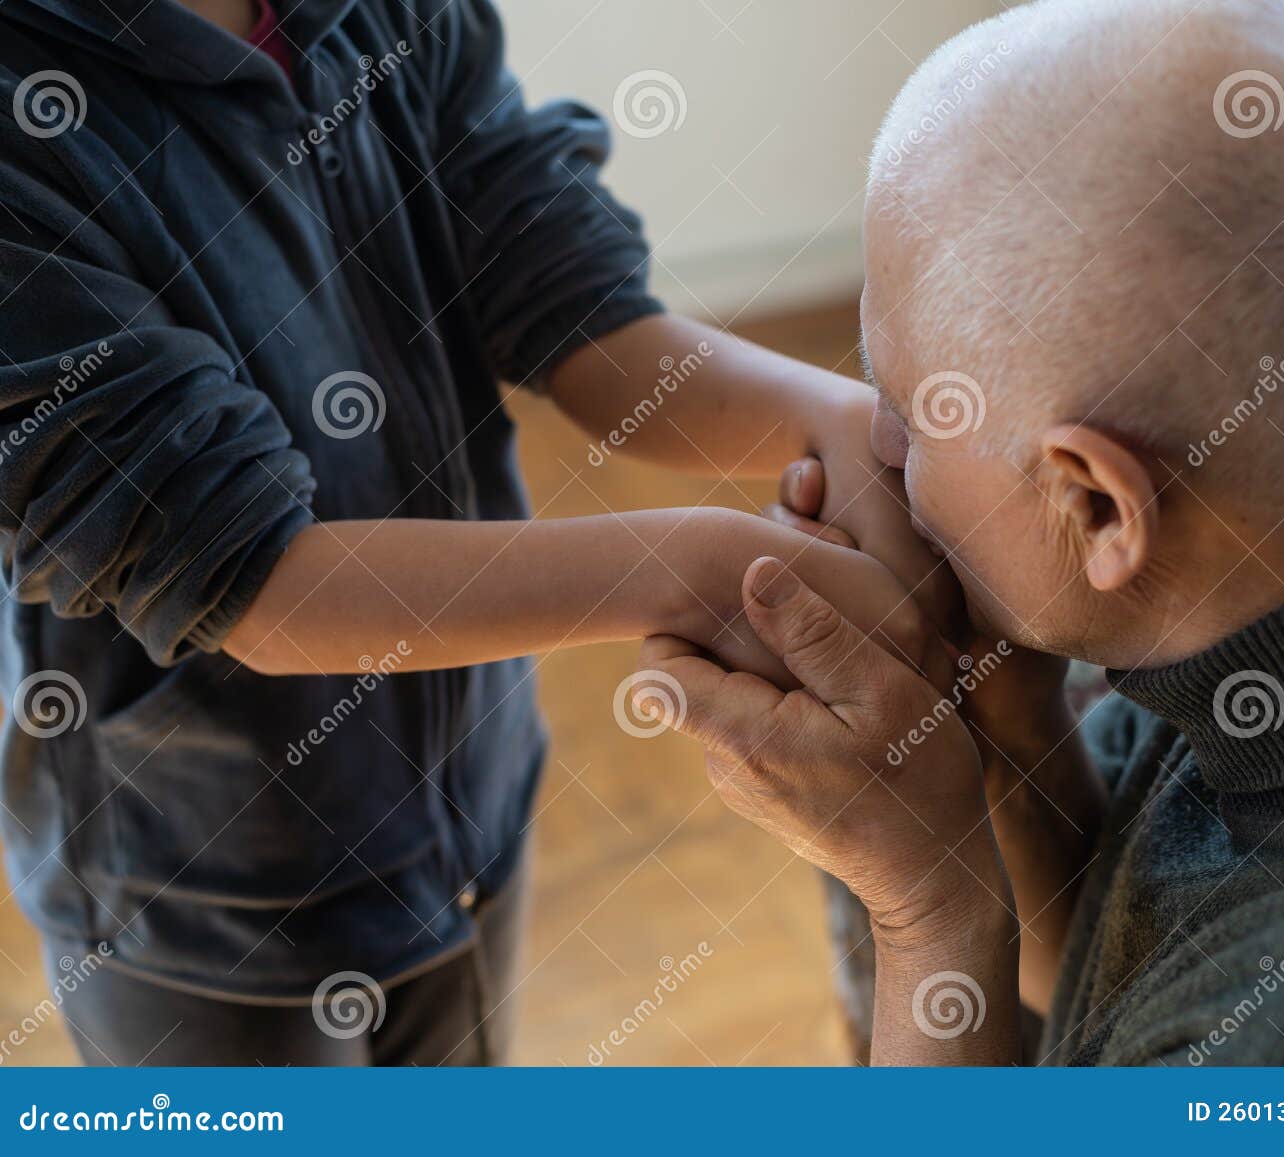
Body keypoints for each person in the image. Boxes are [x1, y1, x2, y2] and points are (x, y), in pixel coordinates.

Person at [0, 0, 952, 1064]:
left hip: (475, 795)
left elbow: (578, 314)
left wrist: (838, 420)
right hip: (201, 900)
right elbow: (255, 578)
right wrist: (702, 570)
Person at [650, 0, 1284, 1064]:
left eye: (912, 414)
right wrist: (1015, 735)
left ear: (1099, 505)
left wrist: (927, 910)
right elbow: (1114, 973)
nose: (873, 442)